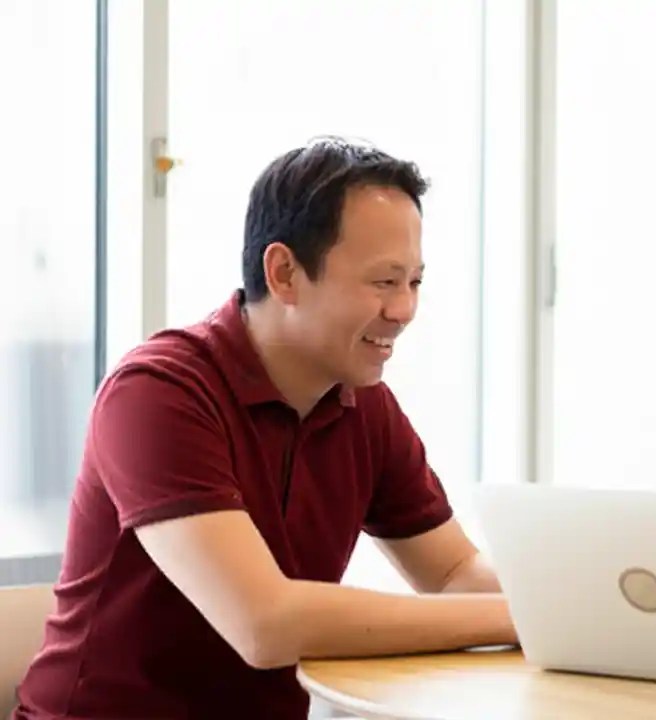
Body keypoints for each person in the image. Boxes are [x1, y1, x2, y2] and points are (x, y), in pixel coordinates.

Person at [14, 138, 516, 719]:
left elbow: (453, 570)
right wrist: (516, 616)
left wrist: (576, 613)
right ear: (283, 273)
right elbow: (262, 623)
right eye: (383, 282)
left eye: (415, 282)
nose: (404, 309)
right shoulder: (157, 393)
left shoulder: (363, 405)